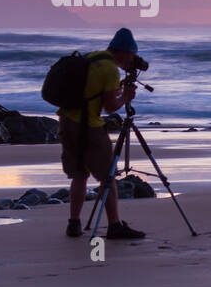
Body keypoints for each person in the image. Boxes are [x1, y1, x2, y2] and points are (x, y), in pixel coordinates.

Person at [57, 28, 146, 239]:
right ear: (124, 52)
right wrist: (125, 96)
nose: (132, 61)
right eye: (132, 56)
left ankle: (74, 224)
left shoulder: (92, 58)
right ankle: (114, 225)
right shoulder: (110, 70)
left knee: (79, 175)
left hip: (66, 122)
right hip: (89, 127)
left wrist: (117, 89)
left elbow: (92, 93)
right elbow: (110, 107)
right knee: (108, 177)